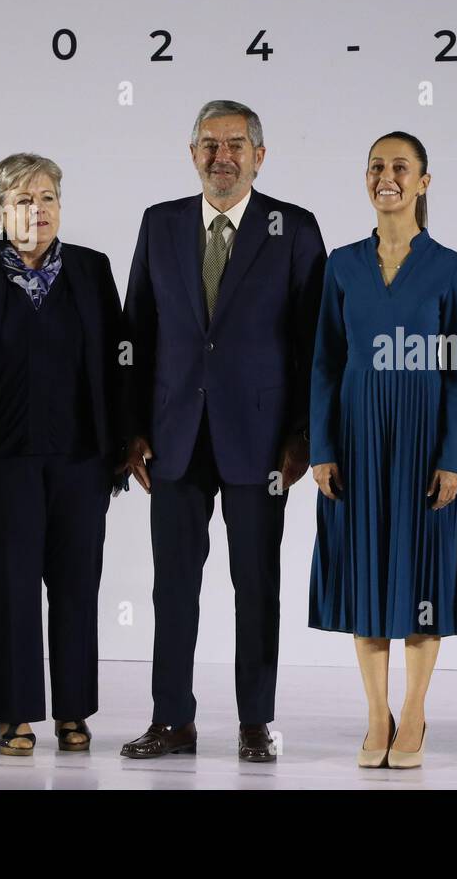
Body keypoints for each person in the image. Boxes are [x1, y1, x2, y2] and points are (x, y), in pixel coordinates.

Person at [121, 100, 326, 761]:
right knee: (173, 588)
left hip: (261, 442)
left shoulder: (293, 230)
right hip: (174, 438)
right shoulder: (160, 225)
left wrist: (303, 436)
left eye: (236, 144)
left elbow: (313, 344)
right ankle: (172, 721)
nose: (222, 157)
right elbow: (136, 335)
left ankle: (254, 724)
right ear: (193, 155)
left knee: (256, 585)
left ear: (259, 155)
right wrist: (133, 429)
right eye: (209, 144)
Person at [0, 152, 126, 756]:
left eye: (46, 198)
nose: (37, 210)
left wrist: (122, 446)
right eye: (23, 200)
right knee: (11, 585)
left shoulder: (93, 271)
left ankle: (73, 711)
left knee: (76, 584)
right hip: (0, 462)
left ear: (60, 207)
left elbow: (119, 362)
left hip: (80, 460)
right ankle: (15, 714)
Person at [309, 132, 457, 769]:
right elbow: (325, 361)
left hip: (425, 441)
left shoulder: (452, 268)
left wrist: (452, 455)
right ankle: (377, 715)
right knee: (366, 575)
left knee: (422, 572)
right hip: (356, 441)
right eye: (376, 166)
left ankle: (415, 712)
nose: (388, 177)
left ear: (424, 182)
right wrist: (322, 445)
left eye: (401, 167)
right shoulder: (341, 264)